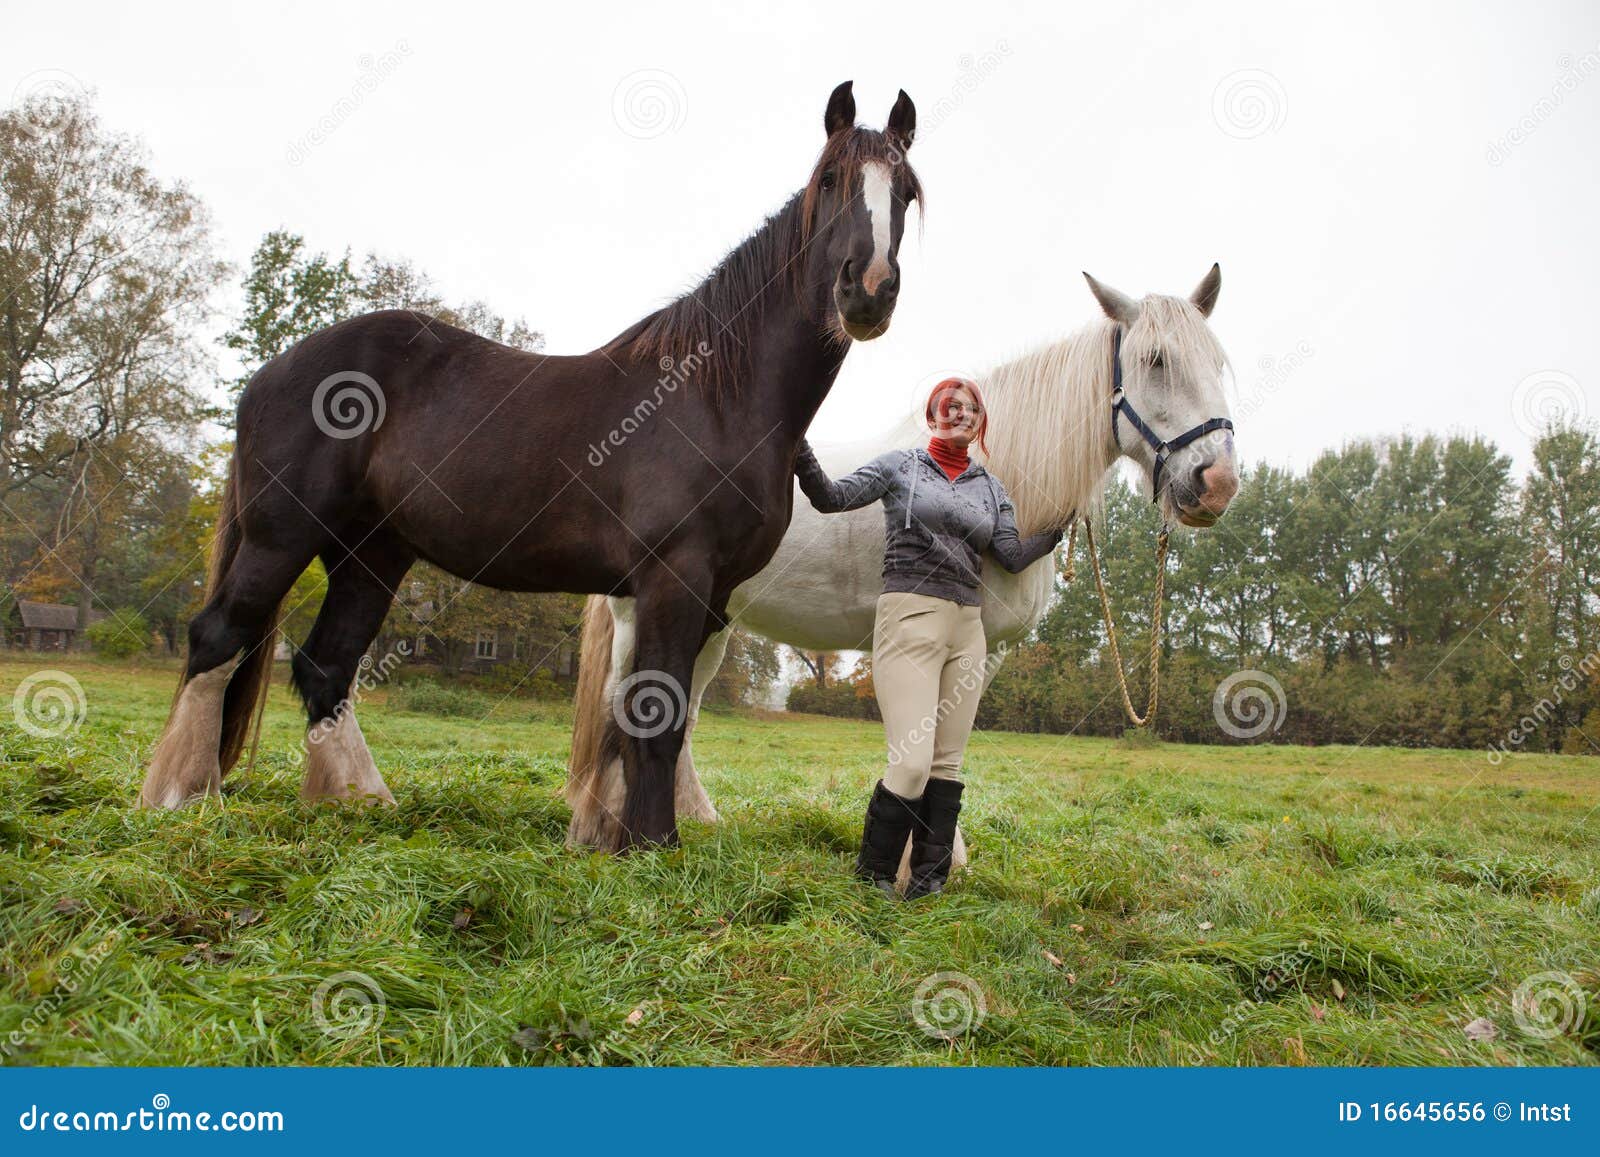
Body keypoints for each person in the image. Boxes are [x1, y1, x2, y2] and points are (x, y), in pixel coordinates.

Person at [793, 379, 1063, 898]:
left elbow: (1009, 555)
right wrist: (798, 439)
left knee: (947, 765)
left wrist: (1057, 529)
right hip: (910, 615)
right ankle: (873, 880)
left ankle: (928, 882)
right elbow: (830, 498)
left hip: (968, 626)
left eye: (972, 408)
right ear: (934, 414)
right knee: (912, 761)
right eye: (951, 405)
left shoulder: (991, 488)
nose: (961, 413)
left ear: (980, 422)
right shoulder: (900, 466)